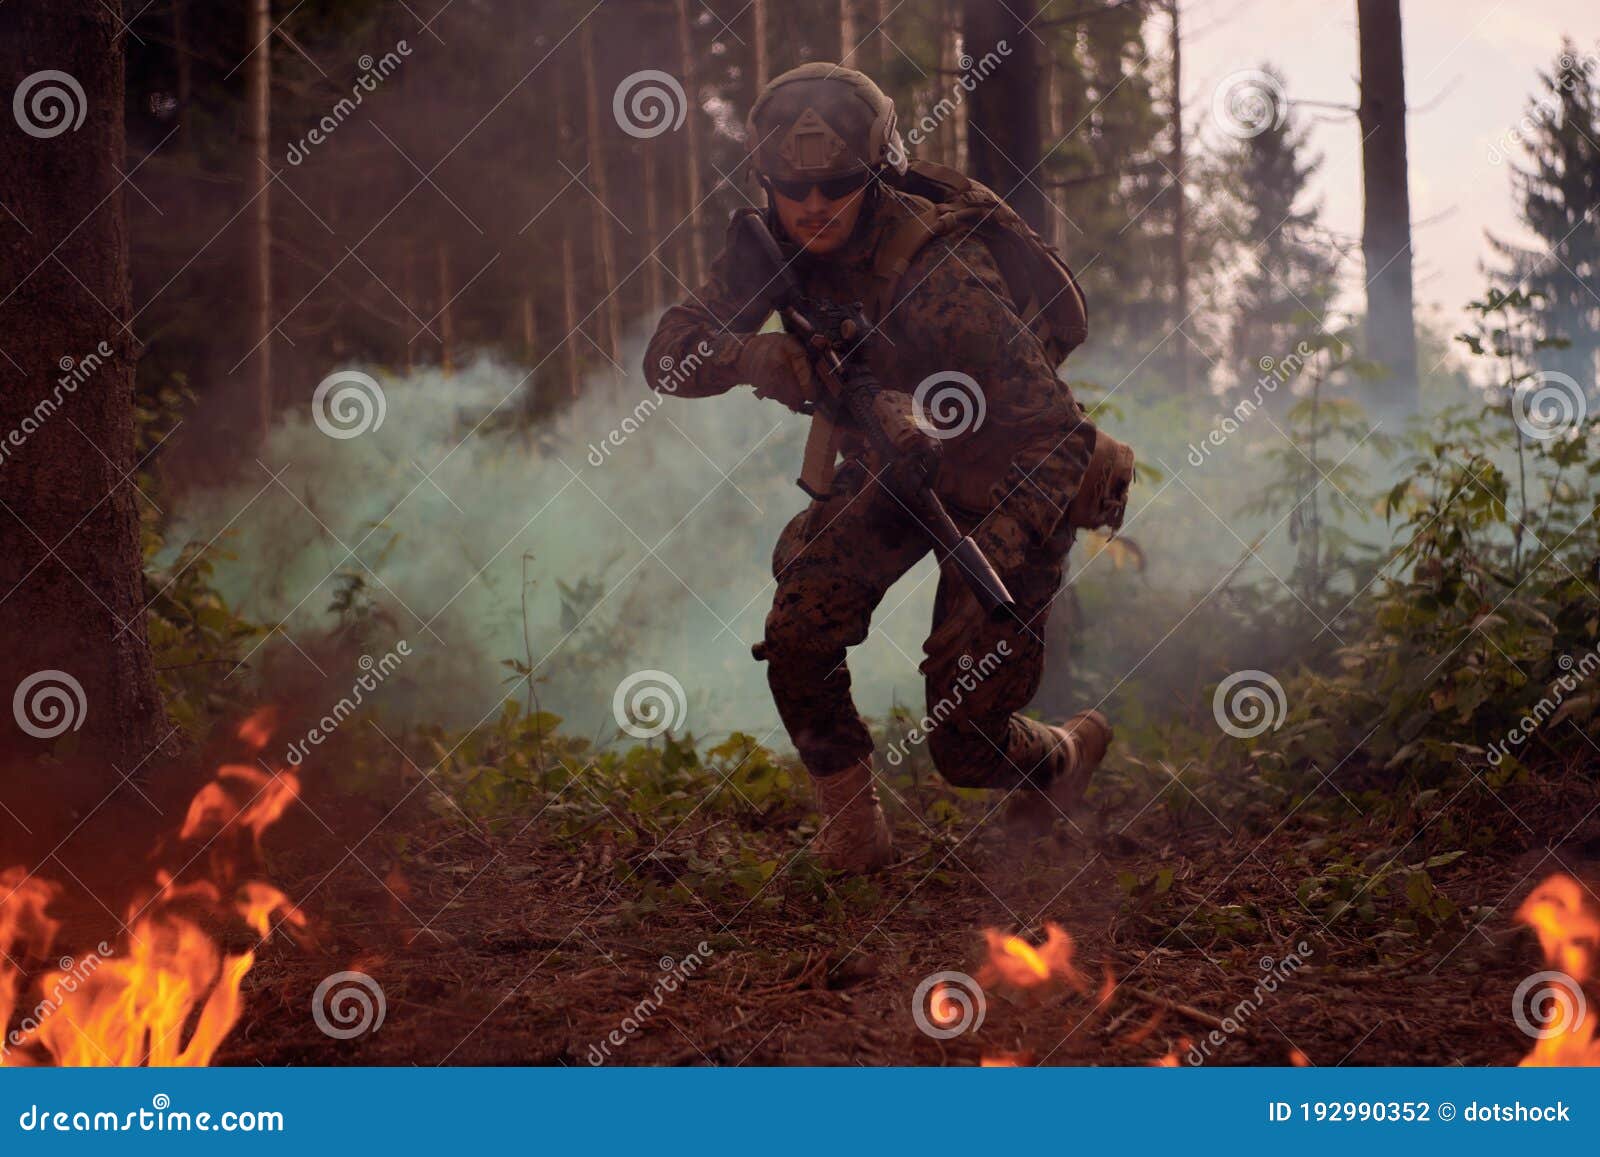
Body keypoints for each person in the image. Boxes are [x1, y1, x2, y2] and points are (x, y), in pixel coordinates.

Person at [643, 62, 1115, 873]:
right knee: (798, 630)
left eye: (837, 184)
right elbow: (666, 359)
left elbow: (1059, 432)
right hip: (893, 461)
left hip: (1009, 475)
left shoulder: (943, 271)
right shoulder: (768, 247)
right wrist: (751, 353)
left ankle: (1060, 759)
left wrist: (1000, 544)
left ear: (876, 174)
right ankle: (855, 830)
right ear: (767, 178)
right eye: (793, 184)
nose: (814, 204)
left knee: (963, 744)